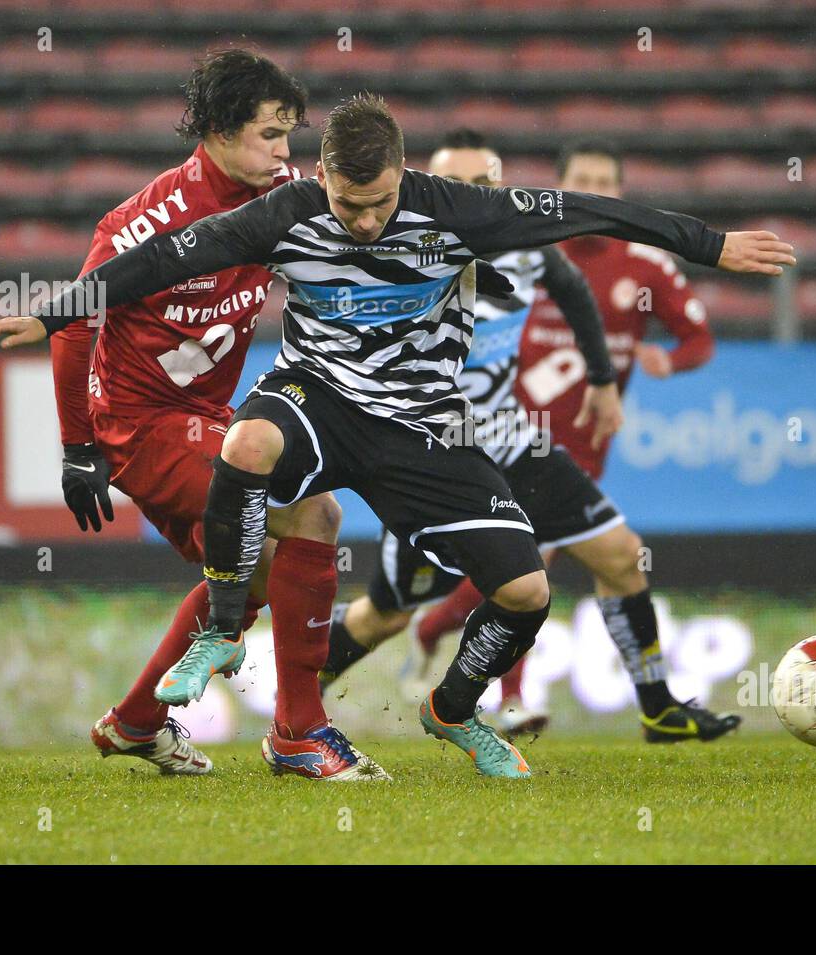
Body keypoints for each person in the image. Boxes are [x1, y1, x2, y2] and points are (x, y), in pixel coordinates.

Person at [0, 93, 795, 779]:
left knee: (526, 593)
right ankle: (222, 632)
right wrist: (49, 314)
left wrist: (712, 244)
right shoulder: (283, 211)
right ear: (320, 174)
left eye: (379, 202)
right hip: (318, 397)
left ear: (405, 172)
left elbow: (591, 212)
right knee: (245, 445)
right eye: (346, 203)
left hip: (423, 423)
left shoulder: (460, 211)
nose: (363, 222)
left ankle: (453, 707)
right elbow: (156, 262)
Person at [317, 130, 740, 747]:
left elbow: (572, 290)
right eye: (455, 185)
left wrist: (601, 379)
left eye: (482, 185)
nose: (470, 196)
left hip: (517, 445)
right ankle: (299, 696)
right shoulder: (399, 253)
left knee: (621, 557)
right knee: (387, 612)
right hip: (438, 458)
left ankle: (658, 707)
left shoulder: (526, 247)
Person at [29, 49, 381, 781]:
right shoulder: (144, 222)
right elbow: (72, 321)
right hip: (141, 421)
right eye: (269, 134)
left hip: (206, 410)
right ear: (220, 130)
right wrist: (77, 446)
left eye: (291, 134)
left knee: (258, 568)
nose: (287, 152)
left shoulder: (283, 193)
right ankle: (299, 731)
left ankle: (135, 722)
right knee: (311, 516)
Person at [412, 139, 718, 734]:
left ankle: (656, 707)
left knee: (616, 557)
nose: (596, 188)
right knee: (526, 572)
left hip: (570, 443)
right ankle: (492, 701)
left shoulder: (623, 263)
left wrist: (631, 373)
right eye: (584, 178)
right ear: (559, 188)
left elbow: (688, 337)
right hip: (487, 438)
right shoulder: (446, 249)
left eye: (606, 177)